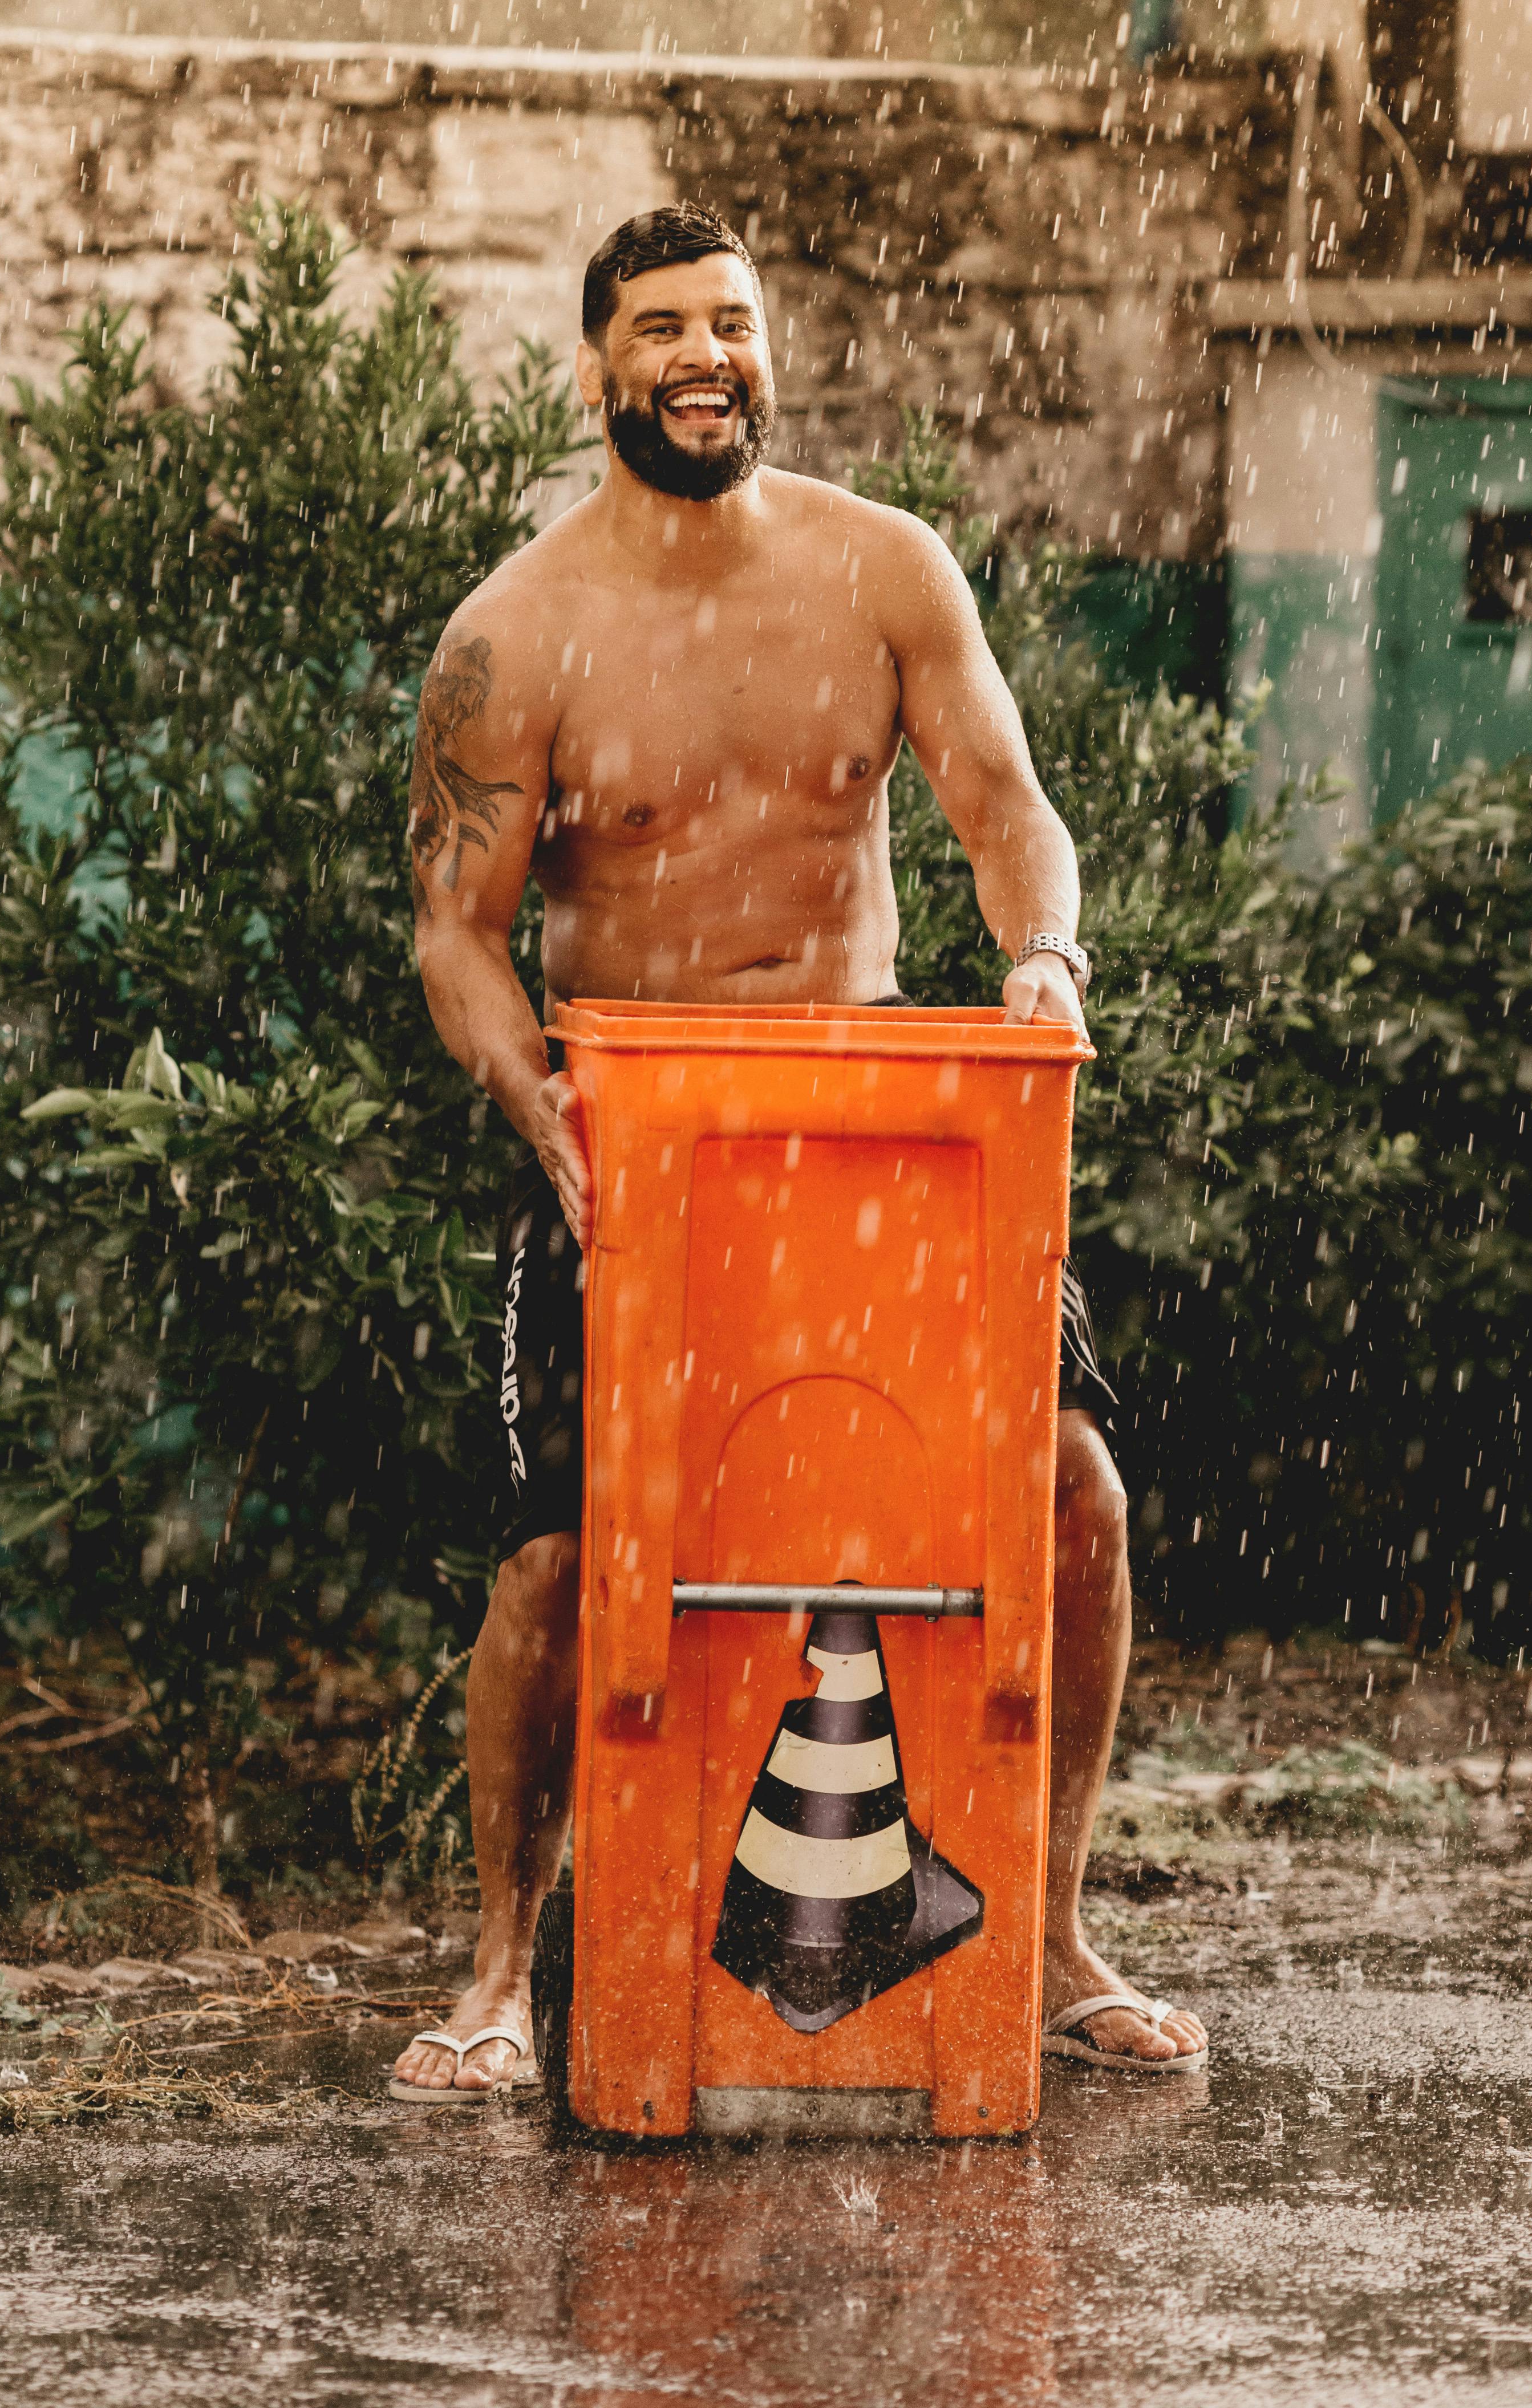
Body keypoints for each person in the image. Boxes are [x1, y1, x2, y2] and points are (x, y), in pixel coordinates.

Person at [392, 204, 1208, 2099]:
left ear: (768, 352)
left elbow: (1009, 806)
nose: (704, 355)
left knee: (1069, 1498)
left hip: (883, 1141)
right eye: (662, 327)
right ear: (595, 367)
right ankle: (505, 1965)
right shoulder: (515, 632)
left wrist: (1045, 958)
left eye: (733, 324)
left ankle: (1052, 1928)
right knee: (544, 1564)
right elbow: (457, 931)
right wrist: (541, 1107)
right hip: (632, 1144)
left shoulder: (882, 571)